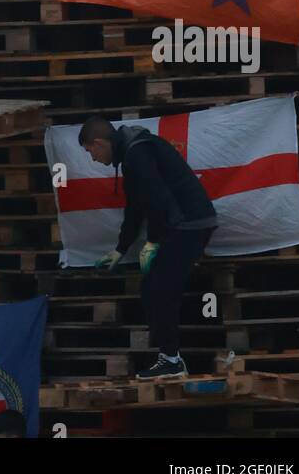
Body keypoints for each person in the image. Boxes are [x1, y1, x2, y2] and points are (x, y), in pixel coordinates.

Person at [79, 115, 218, 380]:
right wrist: (121, 249)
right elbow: (135, 207)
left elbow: (157, 200)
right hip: (186, 223)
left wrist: (152, 241)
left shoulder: (136, 154)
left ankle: (172, 361)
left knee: (158, 290)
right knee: (155, 288)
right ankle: (170, 358)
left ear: (99, 142)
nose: (93, 159)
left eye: (90, 151)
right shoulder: (133, 152)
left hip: (189, 224)